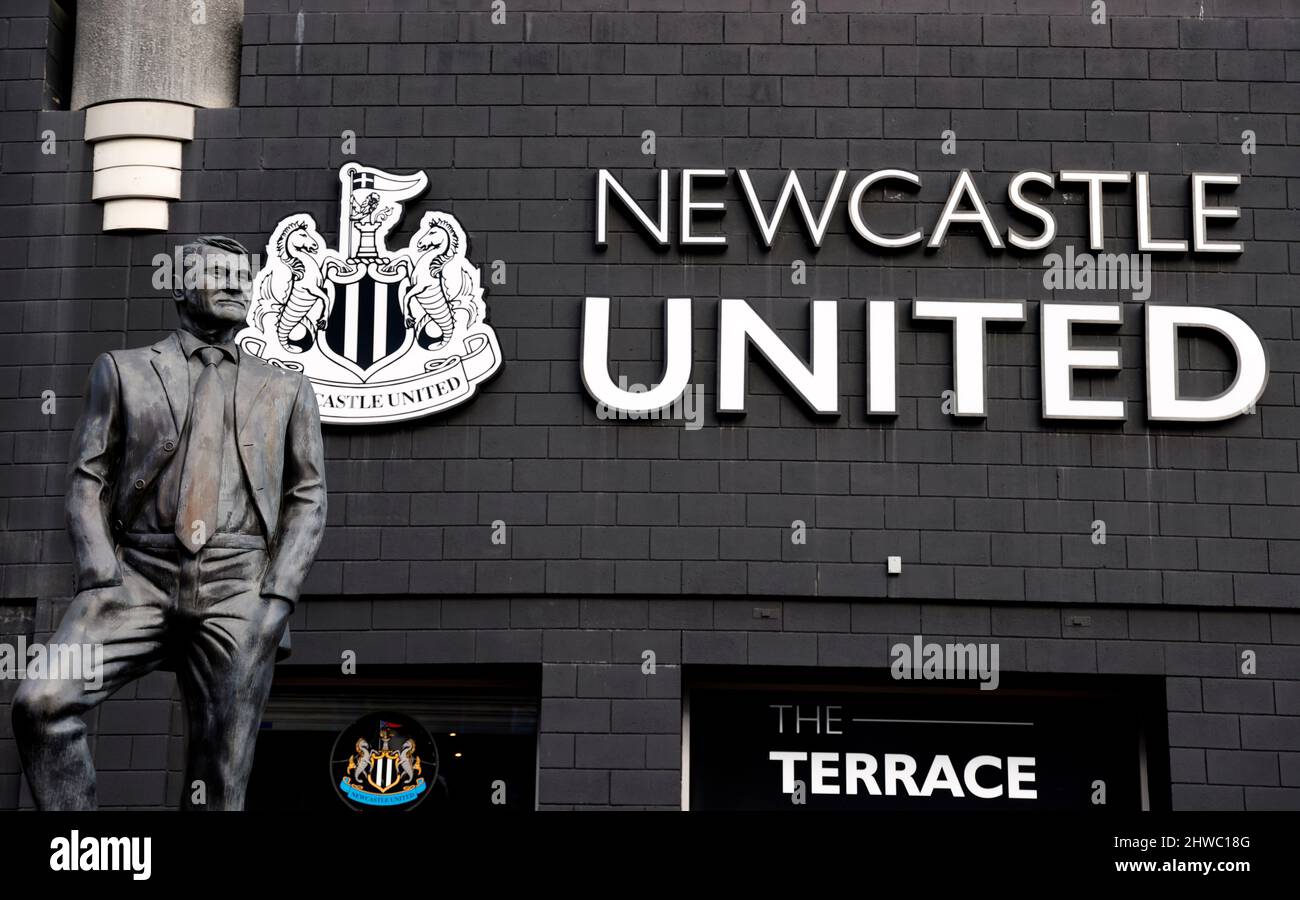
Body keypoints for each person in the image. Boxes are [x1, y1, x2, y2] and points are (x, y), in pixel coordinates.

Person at [12, 236, 327, 810]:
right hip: (137, 576)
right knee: (40, 703)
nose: (237, 285)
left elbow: (308, 497)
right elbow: (88, 478)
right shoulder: (124, 370)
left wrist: (276, 596)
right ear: (179, 286)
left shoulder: (287, 387)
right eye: (219, 274)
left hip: (240, 584)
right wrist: (102, 574)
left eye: (243, 277)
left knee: (221, 772)